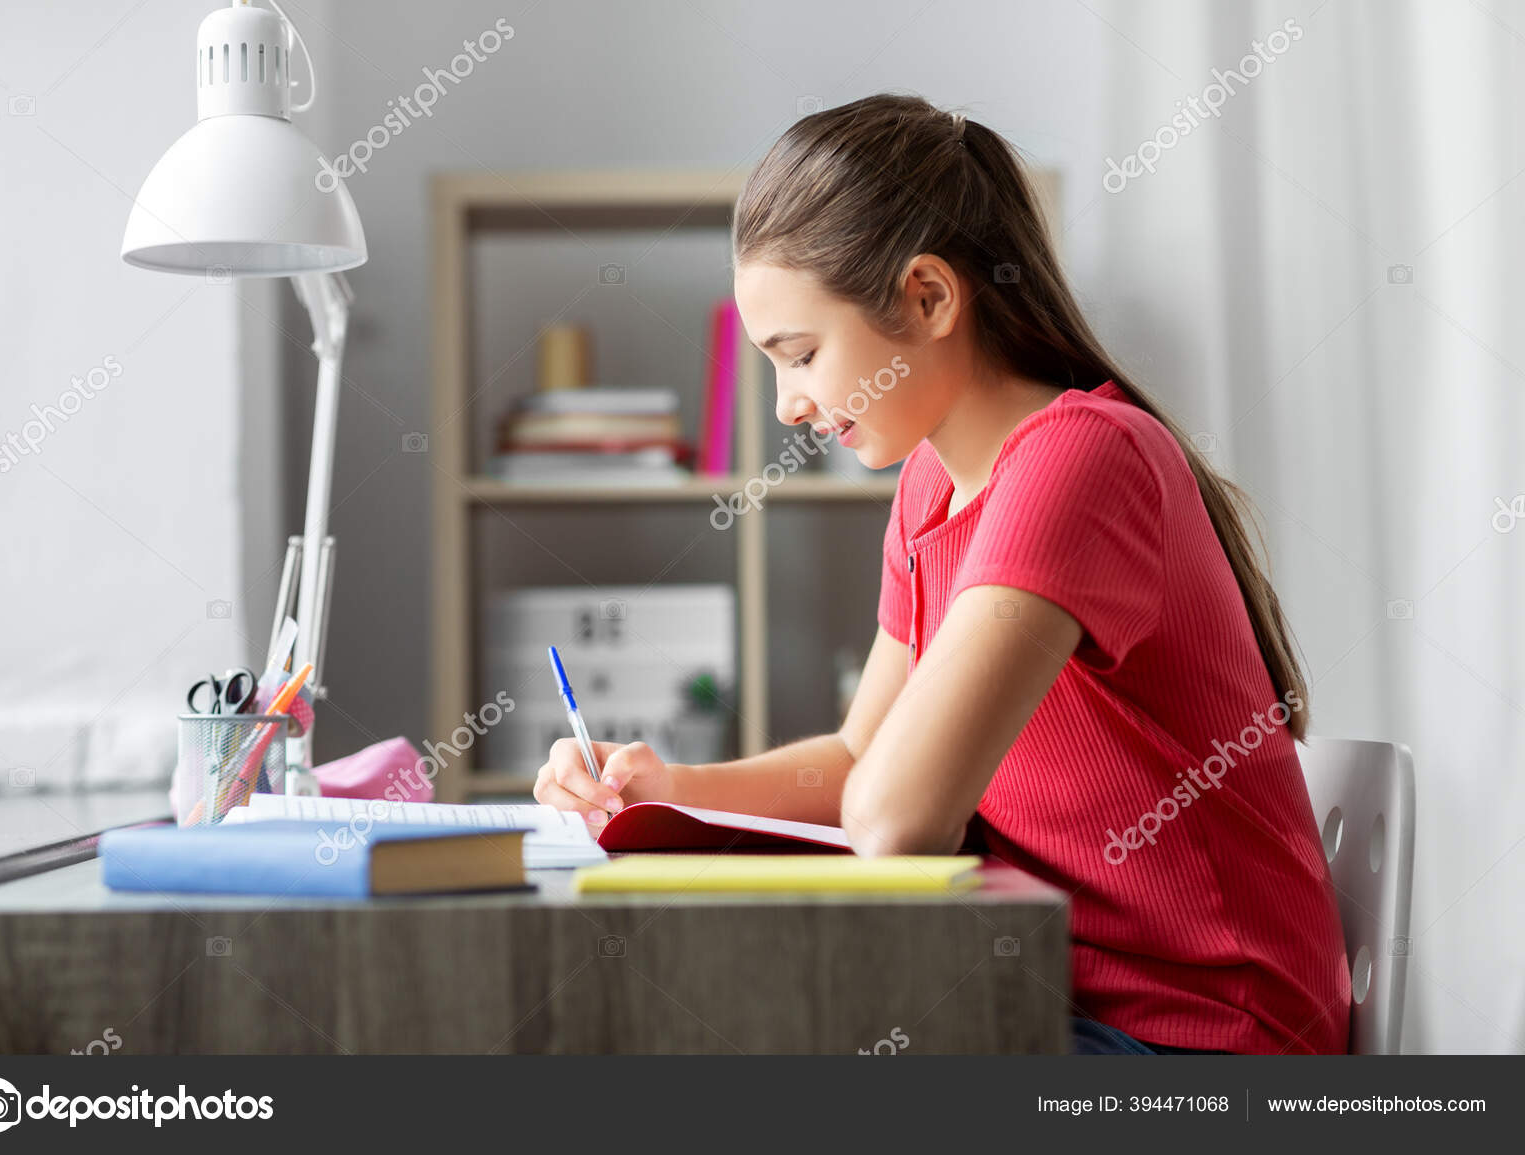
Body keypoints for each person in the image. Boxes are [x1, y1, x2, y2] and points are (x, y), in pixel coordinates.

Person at [535, 93, 1349, 1055]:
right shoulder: (929, 486)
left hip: (1196, 1038)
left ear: (928, 297)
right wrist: (666, 791)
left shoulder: (1081, 457)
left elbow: (896, 816)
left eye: (801, 355)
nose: (789, 404)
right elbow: (856, 764)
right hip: (1046, 992)